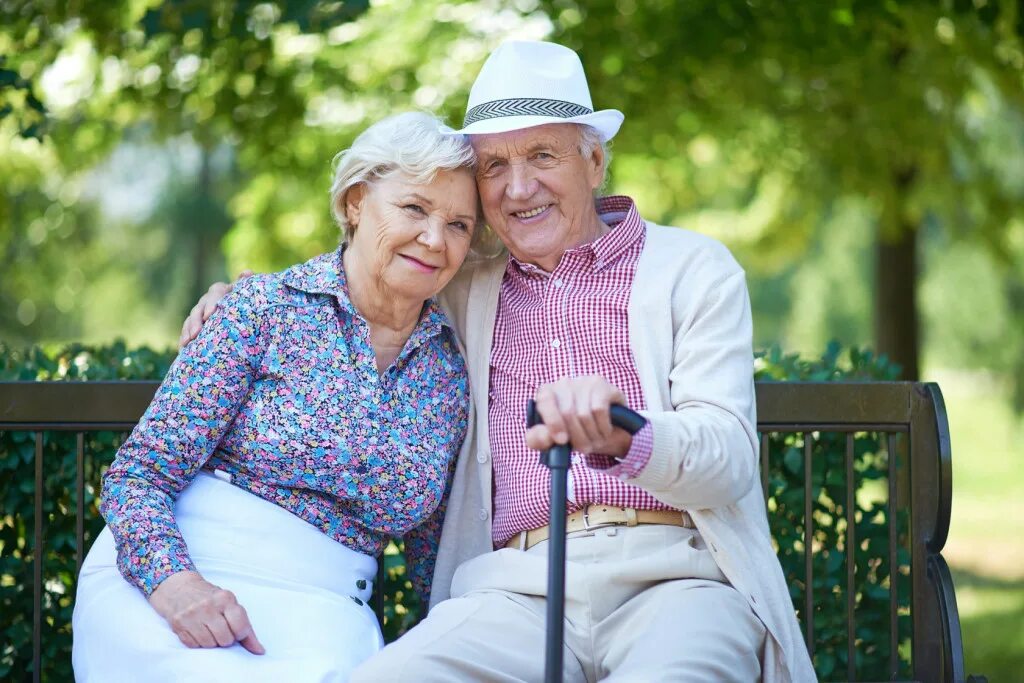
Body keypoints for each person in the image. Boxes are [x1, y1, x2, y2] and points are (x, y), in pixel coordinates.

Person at [183, 41, 817, 682]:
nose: (518, 188)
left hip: (676, 581)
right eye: (493, 166)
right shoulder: (460, 283)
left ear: (594, 161)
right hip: (516, 591)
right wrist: (244, 299)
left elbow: (729, 459)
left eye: (543, 155)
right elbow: (368, 270)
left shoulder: (692, 270)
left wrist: (628, 432)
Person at [72, 111, 481, 682]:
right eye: (414, 208)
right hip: (173, 580)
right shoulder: (263, 309)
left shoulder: (448, 373)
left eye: (459, 225)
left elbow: (432, 558)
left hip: (326, 618)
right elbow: (138, 475)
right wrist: (176, 584)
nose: (435, 239)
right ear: (357, 202)